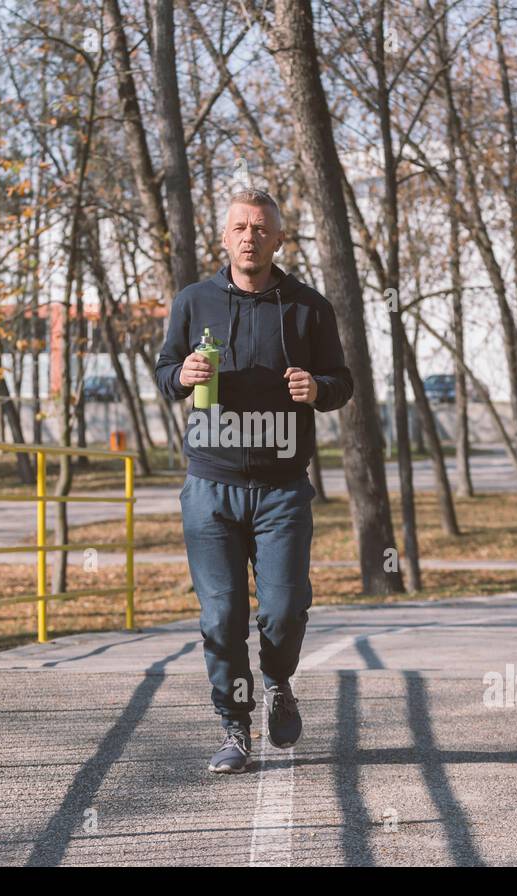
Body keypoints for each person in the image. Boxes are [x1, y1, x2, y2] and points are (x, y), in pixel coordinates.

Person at [155, 187, 353, 773]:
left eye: (261, 228)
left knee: (285, 609)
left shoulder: (309, 307)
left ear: (279, 239)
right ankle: (235, 729)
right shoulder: (193, 301)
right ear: (224, 238)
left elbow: (343, 381)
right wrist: (183, 374)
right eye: (240, 227)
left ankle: (278, 683)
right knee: (221, 617)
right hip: (210, 485)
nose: (250, 236)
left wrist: (318, 390)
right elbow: (165, 373)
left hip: (282, 488)